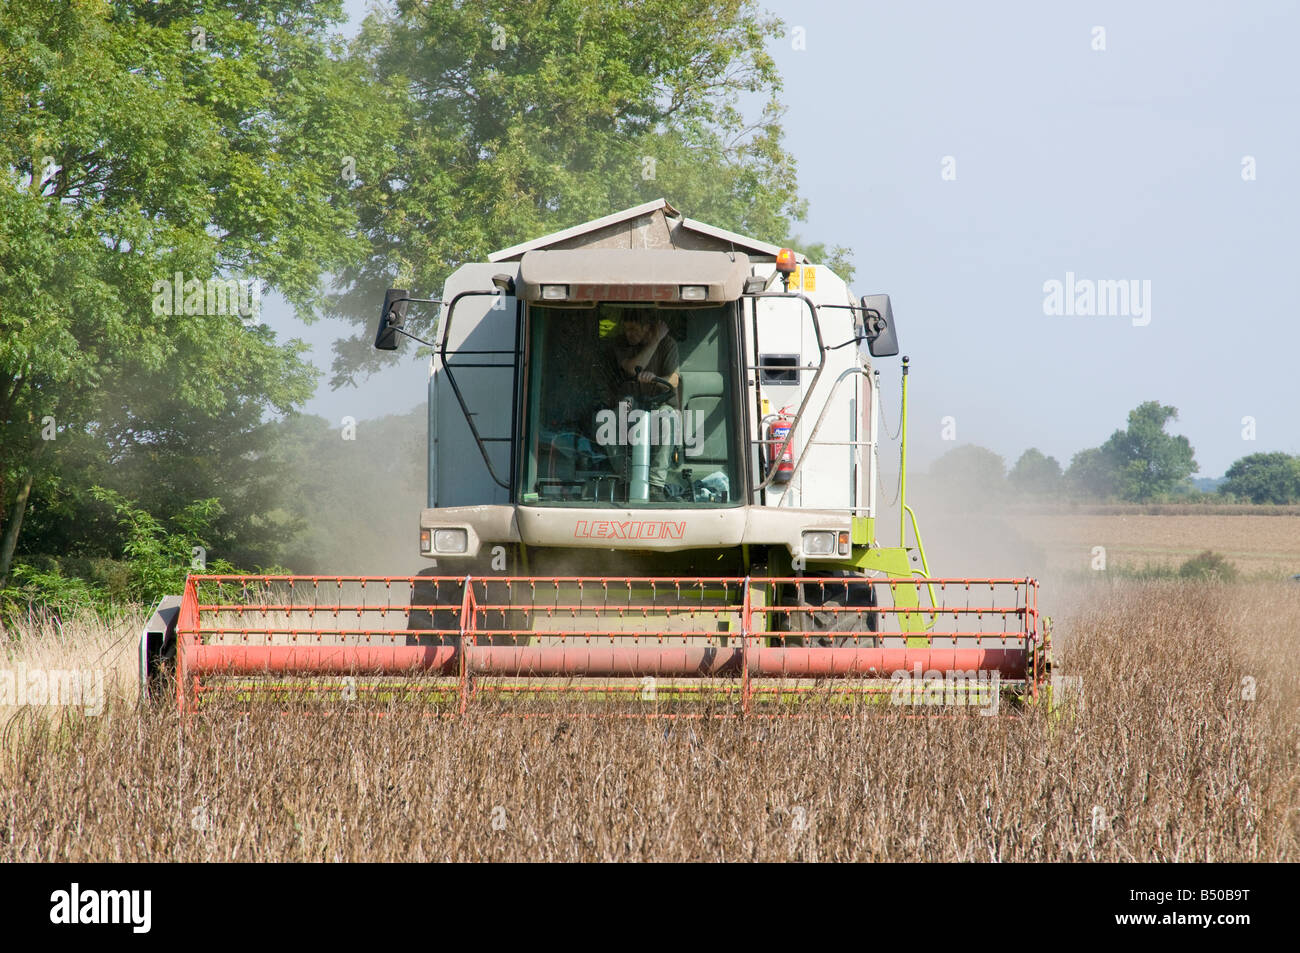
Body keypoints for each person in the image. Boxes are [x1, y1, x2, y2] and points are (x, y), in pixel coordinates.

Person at [601, 309, 681, 500]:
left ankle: (655, 485)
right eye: (626, 329)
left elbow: (674, 380)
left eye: (634, 329)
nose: (629, 334)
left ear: (648, 328)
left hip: (660, 405)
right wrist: (655, 340)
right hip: (632, 407)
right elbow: (631, 368)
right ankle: (627, 480)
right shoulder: (622, 344)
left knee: (667, 419)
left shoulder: (668, 344)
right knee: (605, 422)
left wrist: (655, 379)